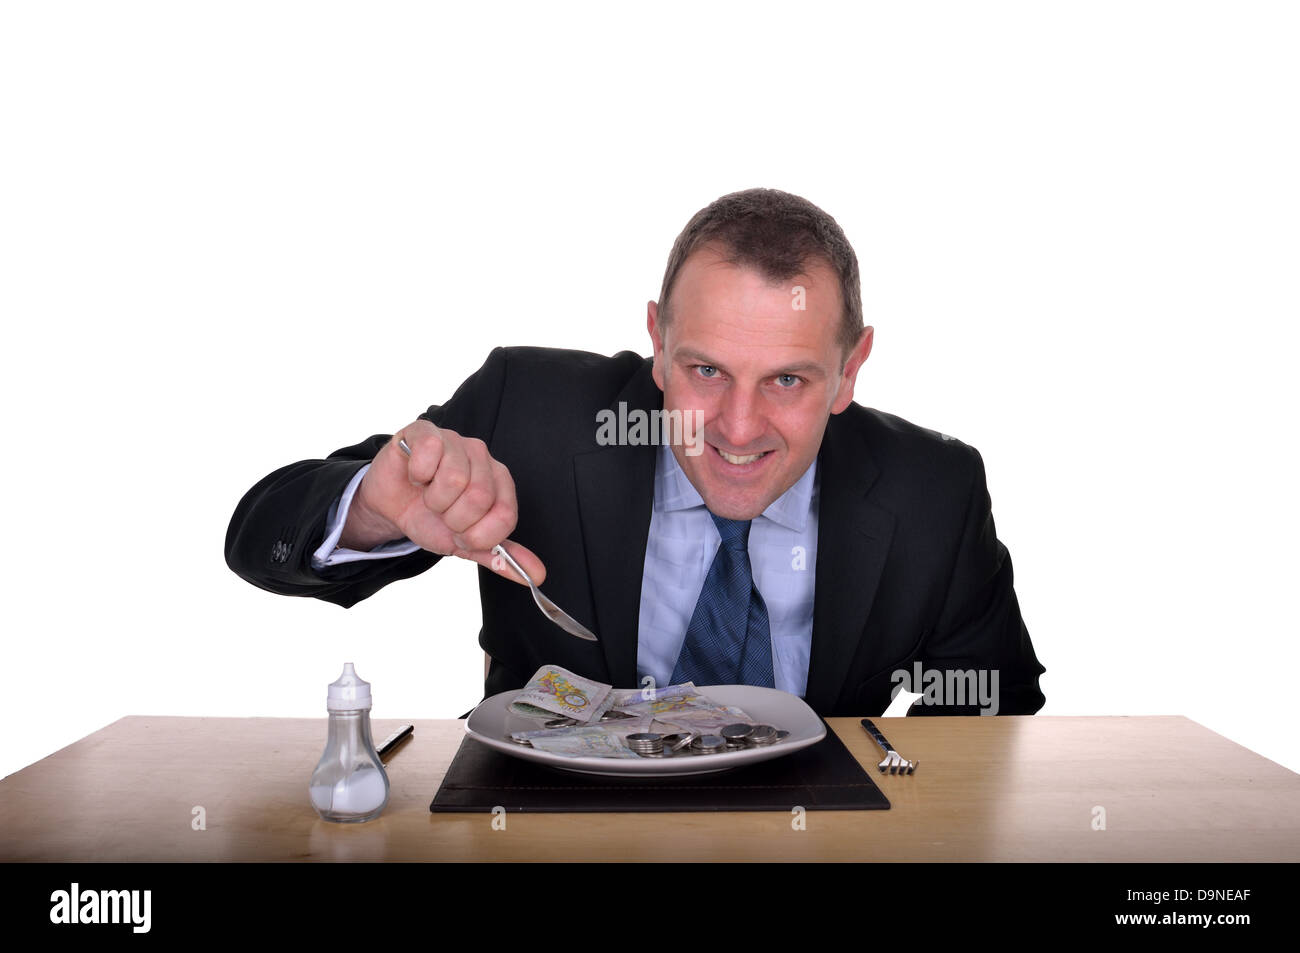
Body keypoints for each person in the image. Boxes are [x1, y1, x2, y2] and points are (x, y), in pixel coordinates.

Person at [224, 188, 1046, 717]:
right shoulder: (531, 409)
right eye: (705, 369)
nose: (735, 425)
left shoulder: (934, 490)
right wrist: (369, 503)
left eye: (788, 379)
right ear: (657, 342)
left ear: (849, 371)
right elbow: (259, 537)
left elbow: (994, 703)